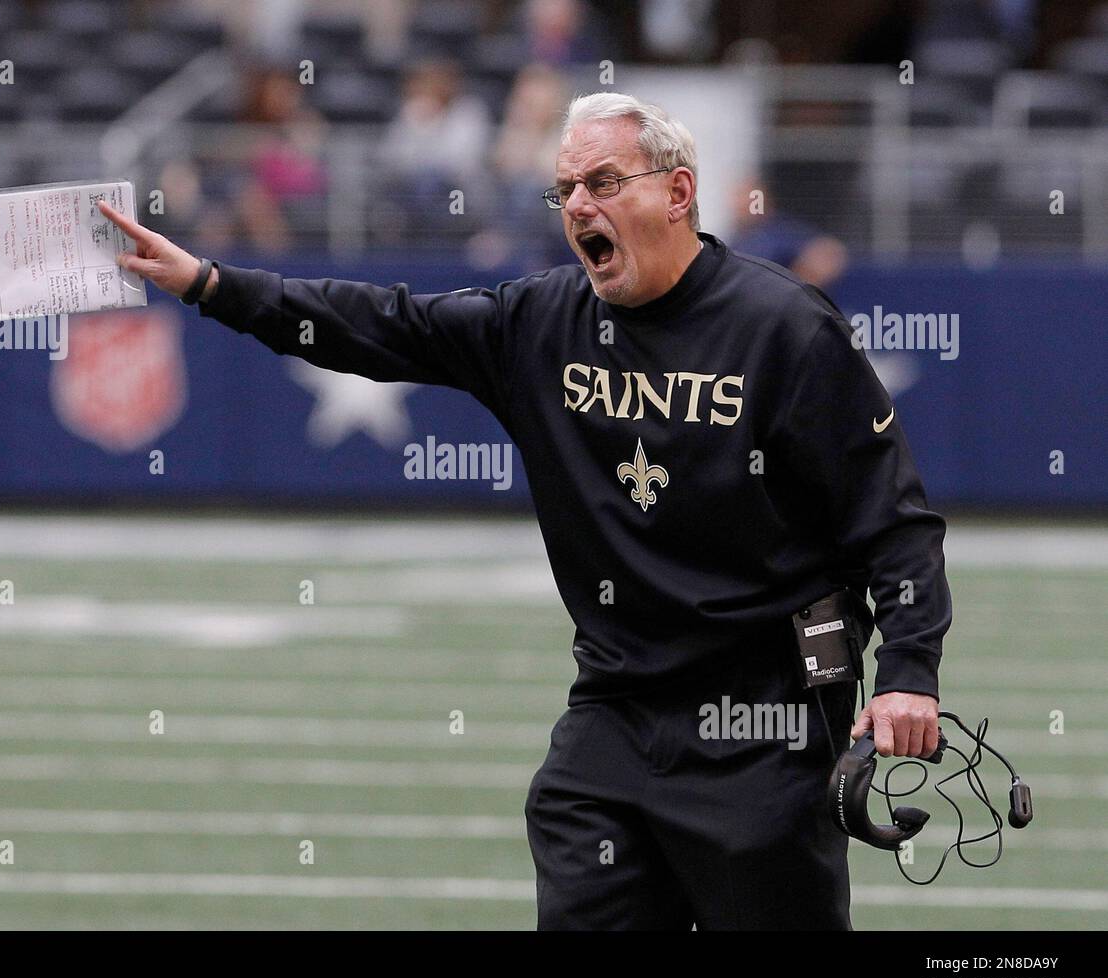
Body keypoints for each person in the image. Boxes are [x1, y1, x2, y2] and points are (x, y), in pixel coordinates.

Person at [96, 91, 951, 931]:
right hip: (615, 714)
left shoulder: (786, 329)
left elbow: (893, 521)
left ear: (678, 193)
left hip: (762, 723)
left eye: (605, 181)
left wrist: (908, 671)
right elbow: (376, 324)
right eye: (566, 188)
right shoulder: (542, 322)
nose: (578, 204)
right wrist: (209, 282)